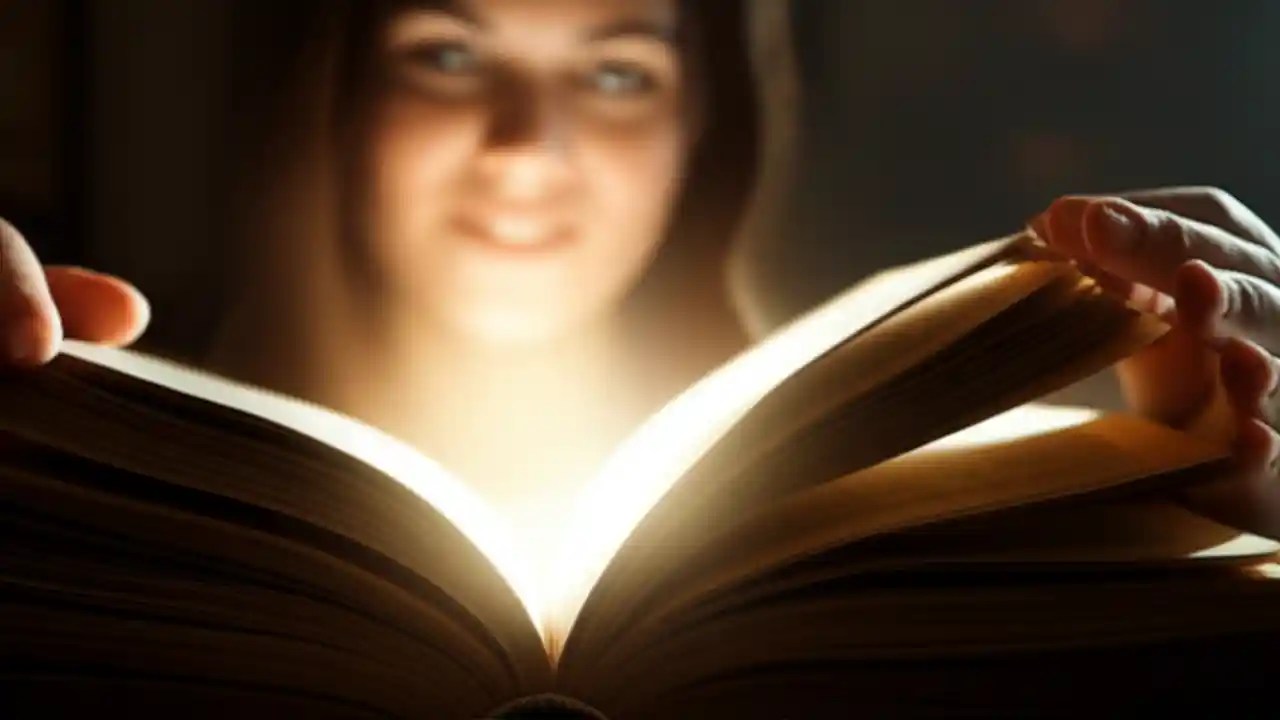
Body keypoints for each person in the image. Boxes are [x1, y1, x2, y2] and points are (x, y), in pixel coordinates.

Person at [1, 0, 1278, 541]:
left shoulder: (867, 527)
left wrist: (1186, 503)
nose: (523, 147)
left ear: (701, 133)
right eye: (447, 52)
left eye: (616, 72)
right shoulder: (105, 478)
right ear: (334, 100)